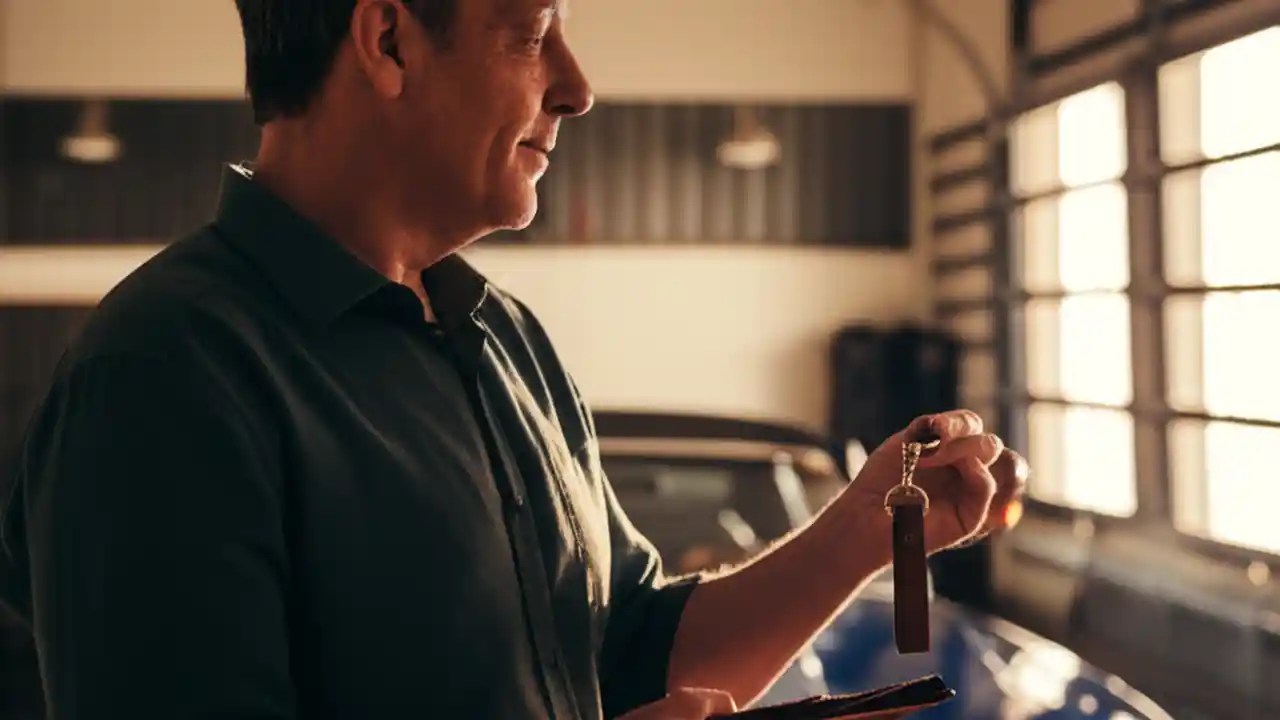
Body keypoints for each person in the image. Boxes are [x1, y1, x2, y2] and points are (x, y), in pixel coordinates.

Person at [0, 1, 1027, 718]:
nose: (577, 89)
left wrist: (861, 528)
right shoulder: (161, 378)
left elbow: (627, 651)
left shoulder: (506, 342)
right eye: (534, 35)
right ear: (389, 38)